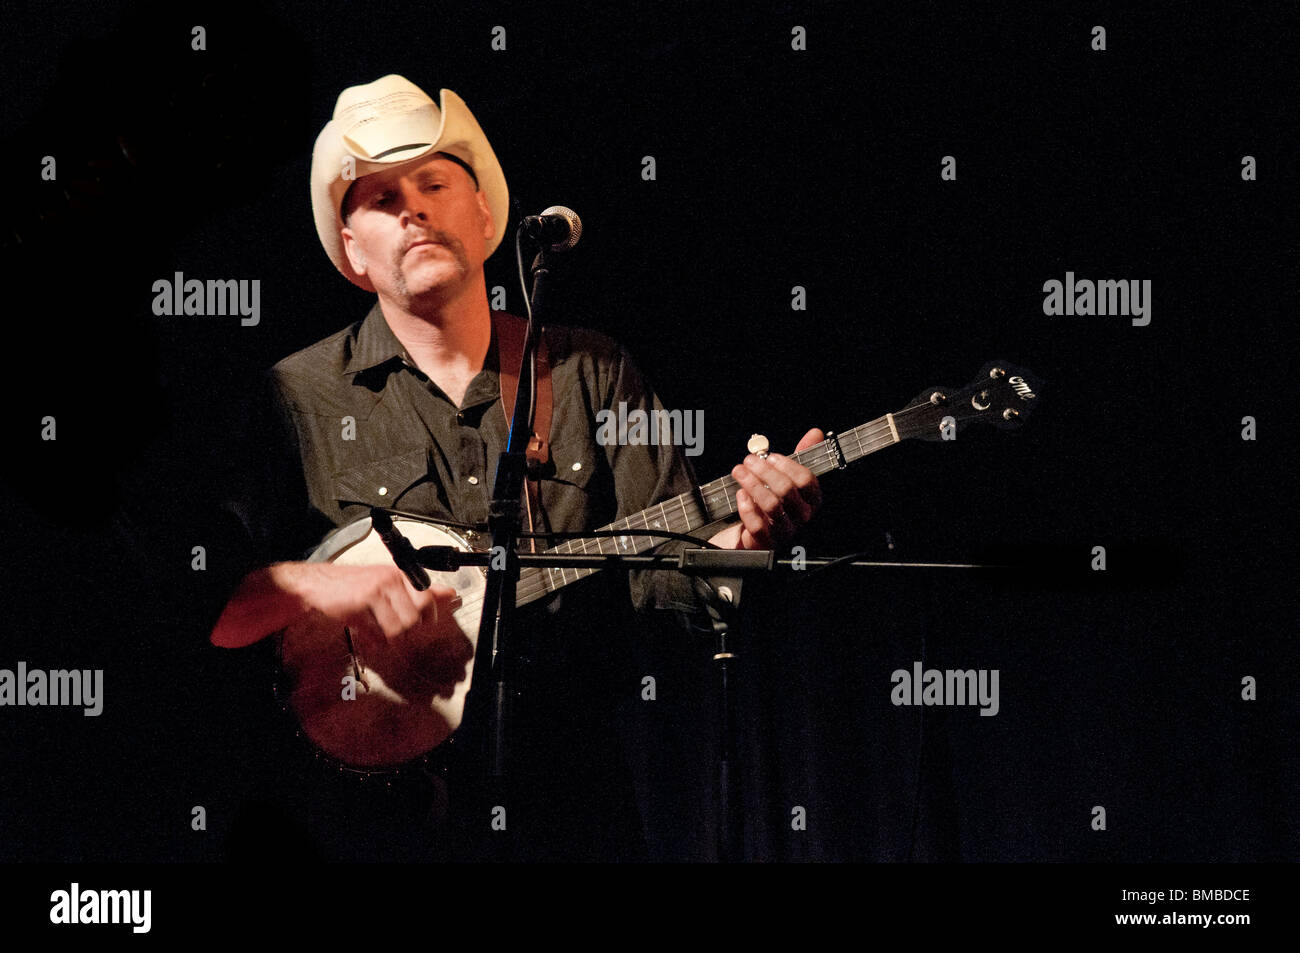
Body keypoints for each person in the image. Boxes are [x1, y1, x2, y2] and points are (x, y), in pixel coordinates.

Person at [209, 74, 824, 860]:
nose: (415, 211)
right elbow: (209, 608)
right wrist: (323, 582)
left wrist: (745, 537)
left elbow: (668, 589)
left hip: (569, 798)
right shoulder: (294, 397)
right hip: (362, 821)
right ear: (354, 250)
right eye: (383, 200)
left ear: (487, 213)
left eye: (434, 183)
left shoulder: (590, 371)